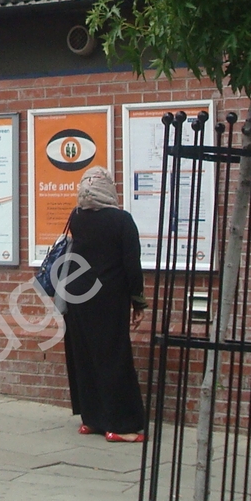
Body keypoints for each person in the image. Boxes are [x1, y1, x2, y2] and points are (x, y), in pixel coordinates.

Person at [61, 166, 147, 442]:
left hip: (76, 299)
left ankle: (92, 419)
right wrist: (138, 301)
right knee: (113, 358)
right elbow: (132, 266)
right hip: (108, 299)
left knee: (84, 356)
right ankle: (120, 426)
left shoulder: (76, 218)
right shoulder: (122, 221)